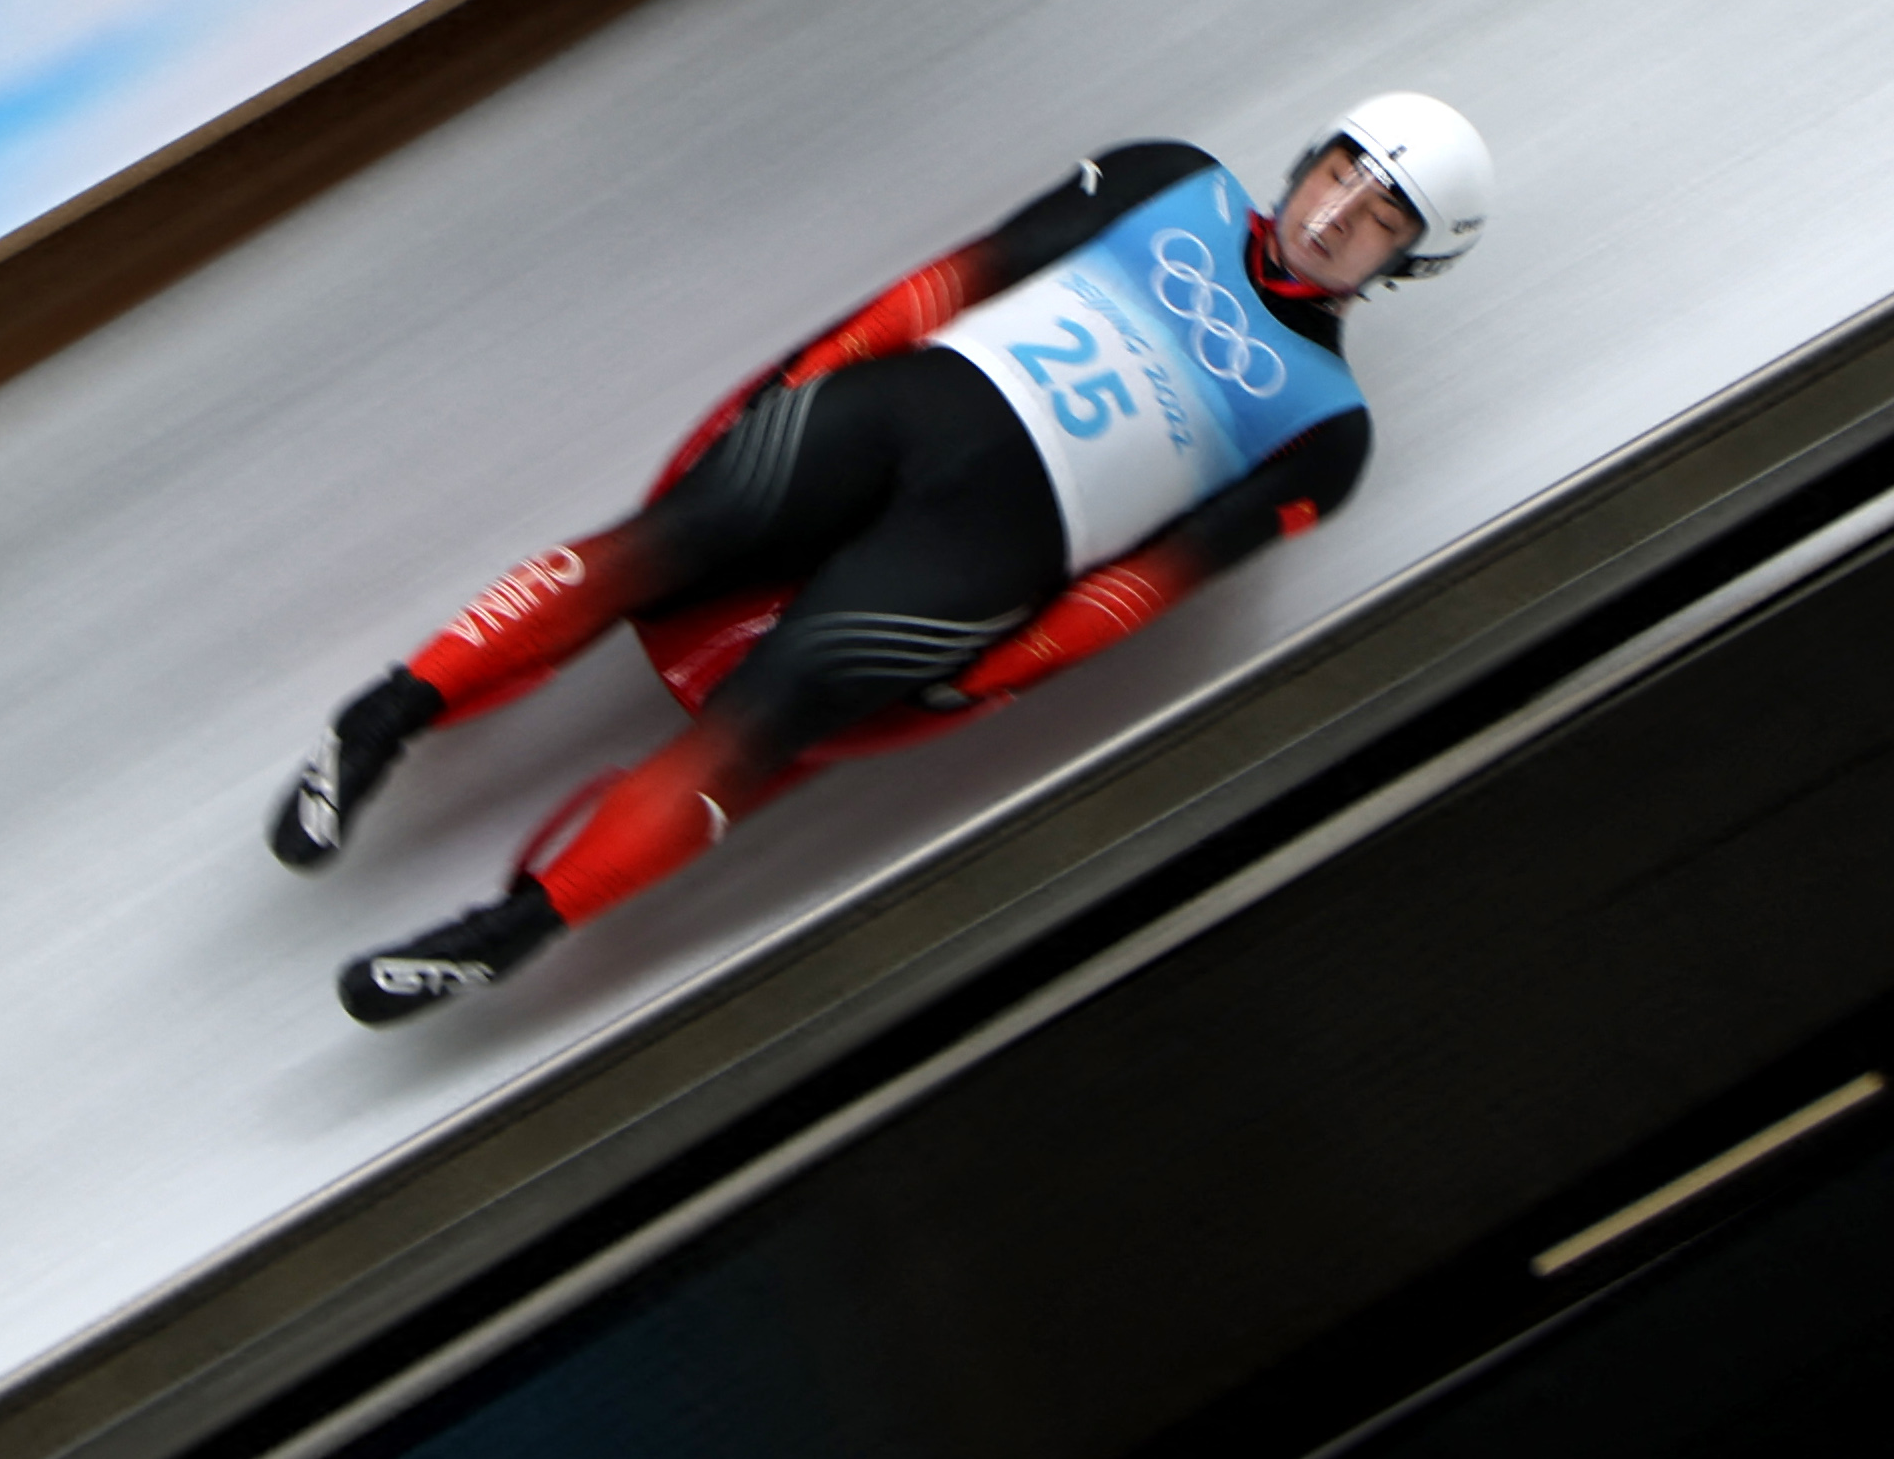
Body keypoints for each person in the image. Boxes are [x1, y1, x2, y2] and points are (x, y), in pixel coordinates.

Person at [273, 92, 1494, 1023]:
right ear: (1308, 158)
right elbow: (967, 274)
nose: (1335, 216)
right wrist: (816, 377)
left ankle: (512, 929)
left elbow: (1154, 578)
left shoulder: (1326, 432)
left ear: (1405, 263)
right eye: (1339, 175)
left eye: (1376, 217)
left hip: (996, 544)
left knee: (771, 711)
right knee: (670, 544)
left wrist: (1014, 657)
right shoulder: (1165, 177)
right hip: (915, 405)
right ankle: (381, 718)